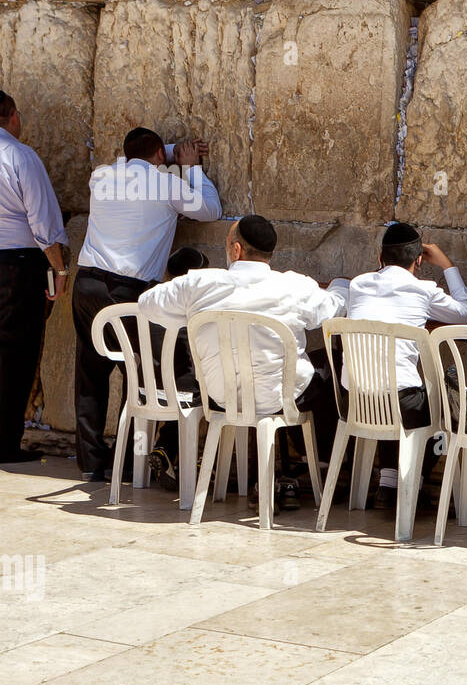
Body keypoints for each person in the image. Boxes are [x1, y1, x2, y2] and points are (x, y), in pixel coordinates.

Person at [138, 215, 345, 508]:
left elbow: (147, 303)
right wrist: (340, 287)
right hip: (280, 398)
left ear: (235, 251)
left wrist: (188, 316)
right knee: (331, 363)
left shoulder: (198, 283)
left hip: (220, 396)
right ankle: (321, 464)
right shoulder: (294, 287)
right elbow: (335, 307)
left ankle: (280, 474)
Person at [73, 127, 221, 479]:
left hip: (87, 284)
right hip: (128, 291)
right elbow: (210, 210)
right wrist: (190, 165)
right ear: (159, 157)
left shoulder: (102, 176)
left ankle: (91, 463)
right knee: (140, 378)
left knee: (90, 376)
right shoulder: (166, 184)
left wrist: (168, 150)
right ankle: (128, 461)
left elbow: (131, 158)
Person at [326, 222, 467, 508]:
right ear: (419, 260)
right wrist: (446, 264)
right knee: (444, 406)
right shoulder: (423, 290)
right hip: (403, 405)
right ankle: (412, 484)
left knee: (385, 382)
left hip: (353, 400)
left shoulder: (357, 285)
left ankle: (389, 483)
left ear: (380, 258)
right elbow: (466, 312)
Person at [0, 90, 69, 463]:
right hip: (16, 266)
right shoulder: (20, 156)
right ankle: (5, 443)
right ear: (12, 115)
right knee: (15, 353)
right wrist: (58, 269)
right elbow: (43, 222)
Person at [146, 245, 210, 491]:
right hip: (184, 392)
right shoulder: (194, 312)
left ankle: (164, 450)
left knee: (183, 391)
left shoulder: (151, 302)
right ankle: (205, 462)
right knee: (207, 395)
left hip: (148, 391)